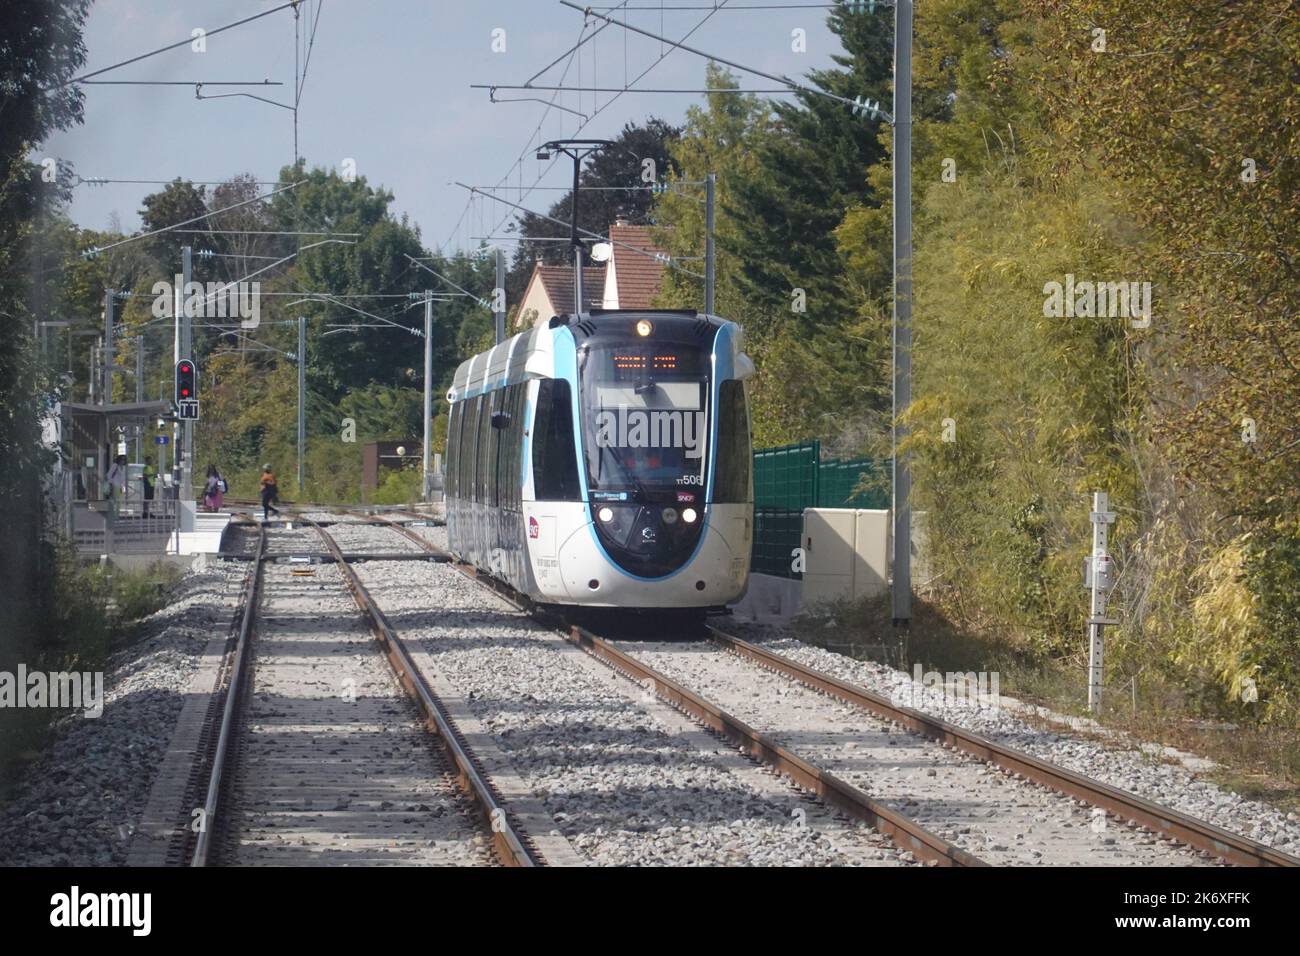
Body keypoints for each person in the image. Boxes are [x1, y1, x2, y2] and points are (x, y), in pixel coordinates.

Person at [105, 454, 128, 519]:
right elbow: (108, 475)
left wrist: (123, 488)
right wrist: (112, 483)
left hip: (120, 486)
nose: (123, 461)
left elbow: (122, 478)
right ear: (119, 459)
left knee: (118, 502)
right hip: (114, 485)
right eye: (122, 459)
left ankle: (116, 516)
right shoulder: (115, 466)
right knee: (115, 501)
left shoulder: (123, 468)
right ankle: (113, 516)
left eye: (124, 459)